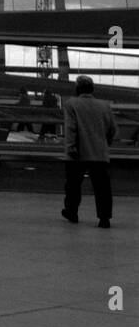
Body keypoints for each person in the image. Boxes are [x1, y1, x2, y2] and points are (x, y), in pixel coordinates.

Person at [61, 75, 117, 228]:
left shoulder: (71, 104)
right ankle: (104, 218)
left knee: (73, 185)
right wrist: (105, 143)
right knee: (102, 187)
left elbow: (71, 127)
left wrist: (70, 147)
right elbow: (112, 129)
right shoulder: (105, 105)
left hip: (78, 153)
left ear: (77, 89)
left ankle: (72, 211)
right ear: (92, 89)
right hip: (99, 152)